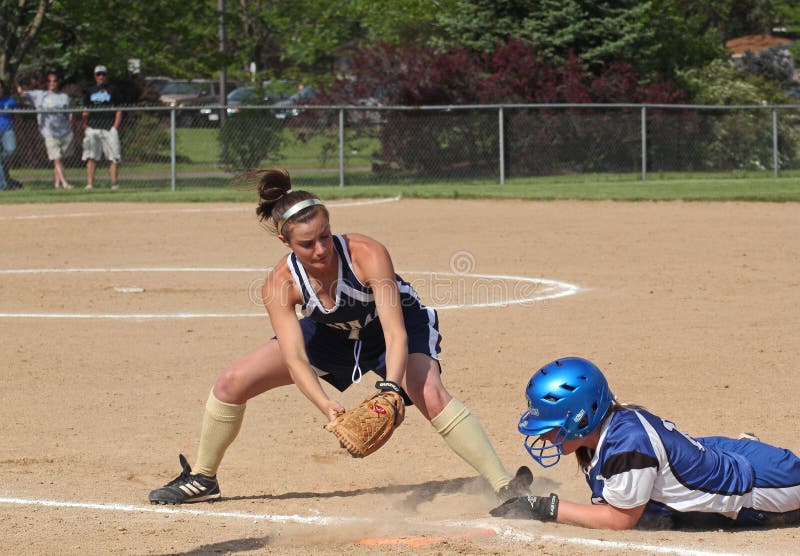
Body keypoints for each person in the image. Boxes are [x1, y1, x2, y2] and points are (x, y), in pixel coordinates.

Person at [148, 167, 532, 505]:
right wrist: (325, 405)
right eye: (306, 243)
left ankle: (506, 488)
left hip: (388, 326)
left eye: (325, 236)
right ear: (285, 243)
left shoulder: (366, 253)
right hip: (330, 334)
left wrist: (391, 388)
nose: (320, 249)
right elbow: (296, 358)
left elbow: (396, 333)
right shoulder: (280, 284)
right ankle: (202, 477)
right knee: (231, 382)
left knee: (427, 391)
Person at [490, 356, 800, 530]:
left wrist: (546, 507)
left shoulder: (628, 446)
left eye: (551, 427)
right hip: (724, 453)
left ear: (582, 418)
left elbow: (619, 519)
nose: (543, 436)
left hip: (763, 485)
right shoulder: (606, 431)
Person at [17, 72, 74, 189]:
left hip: (64, 131)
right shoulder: (40, 95)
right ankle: (65, 183)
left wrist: (70, 125)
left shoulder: (64, 97)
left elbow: (70, 114)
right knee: (56, 159)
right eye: (49, 81)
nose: (52, 83)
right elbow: (23, 94)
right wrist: (18, 85)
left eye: (54, 81)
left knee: (59, 159)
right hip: (49, 132)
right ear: (46, 83)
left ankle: (57, 184)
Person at [81, 65, 122, 190]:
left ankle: (114, 184)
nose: (101, 77)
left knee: (114, 157)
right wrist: (84, 124)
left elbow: (119, 110)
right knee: (91, 156)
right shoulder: (89, 90)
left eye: (103, 74)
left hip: (109, 128)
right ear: (95, 76)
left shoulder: (113, 90)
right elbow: (85, 110)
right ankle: (90, 184)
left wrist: (115, 126)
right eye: (98, 74)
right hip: (93, 127)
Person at [0, 78, 18, 191]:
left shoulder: (10, 101)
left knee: (11, 150)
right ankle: (3, 186)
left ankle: (1, 160)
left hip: (7, 130)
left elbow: (16, 116)